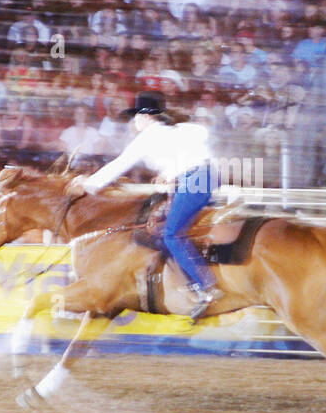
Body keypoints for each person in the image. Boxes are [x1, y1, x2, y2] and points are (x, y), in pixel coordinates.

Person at [65, 91, 222, 319]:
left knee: (172, 234)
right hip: (203, 177)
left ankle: (205, 287)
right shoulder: (178, 131)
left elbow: (120, 165)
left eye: (136, 116)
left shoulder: (148, 137)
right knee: (171, 229)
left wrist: (88, 185)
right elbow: (195, 149)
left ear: (146, 117)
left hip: (196, 179)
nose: (134, 121)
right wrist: (171, 174)